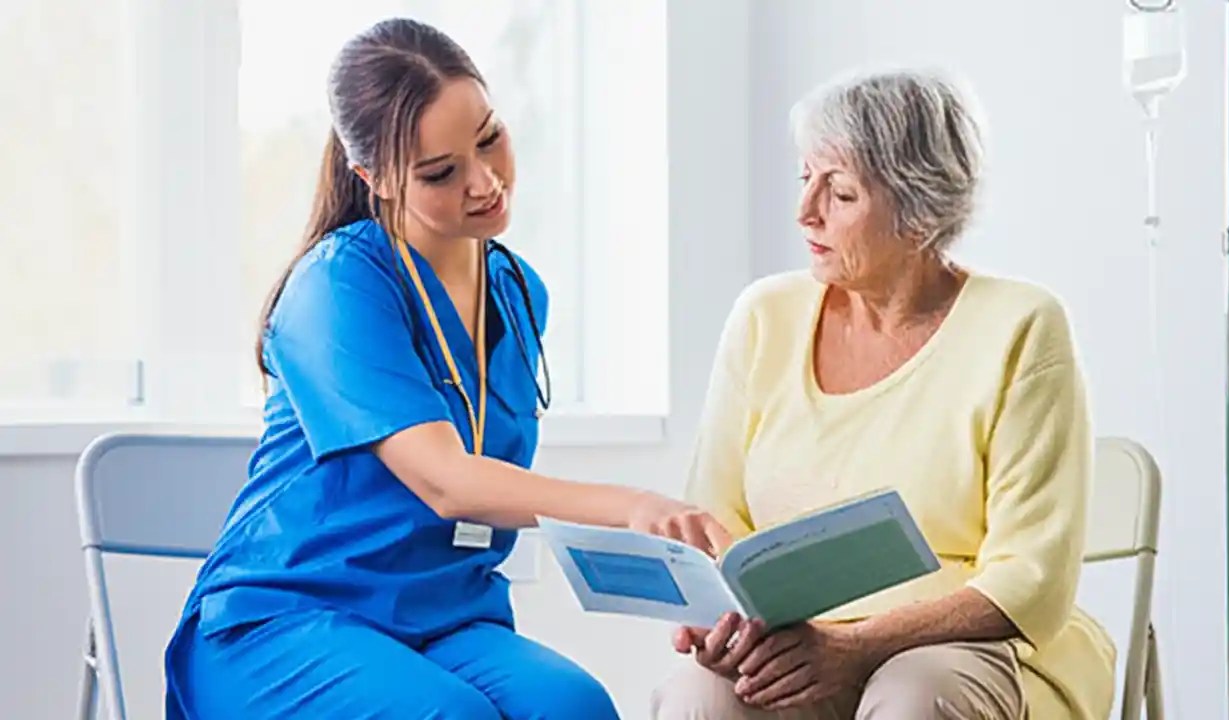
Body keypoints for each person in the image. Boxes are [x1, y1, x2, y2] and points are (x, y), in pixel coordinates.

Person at [162, 18, 730, 720]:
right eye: (441, 172)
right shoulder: (337, 287)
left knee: (574, 707)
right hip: (288, 618)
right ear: (372, 176)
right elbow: (447, 481)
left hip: (443, 618)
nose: (486, 182)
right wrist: (637, 507)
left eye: (489, 137)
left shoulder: (519, 293)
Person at [651, 69, 1116, 720]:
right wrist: (726, 627)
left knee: (911, 697)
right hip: (791, 636)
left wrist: (856, 646)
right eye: (804, 177)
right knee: (697, 697)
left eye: (839, 192)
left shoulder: (1022, 325)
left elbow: (1030, 578)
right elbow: (712, 516)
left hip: (963, 643)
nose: (804, 211)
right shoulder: (766, 315)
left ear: (918, 211)